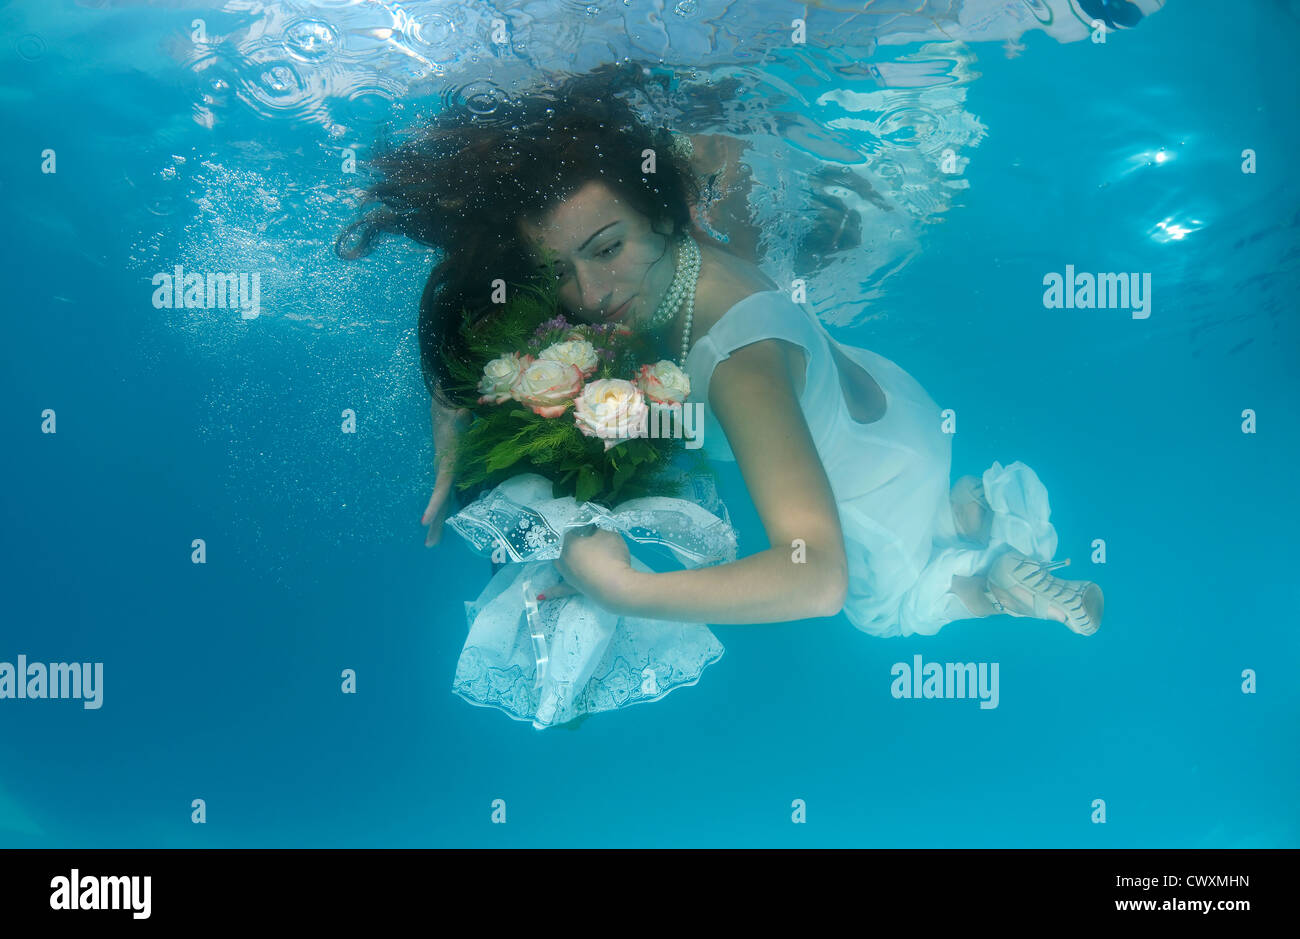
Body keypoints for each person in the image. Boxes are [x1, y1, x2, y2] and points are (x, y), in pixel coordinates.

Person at [336, 65, 1103, 639]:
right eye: (558, 271)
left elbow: (817, 578)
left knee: (890, 611)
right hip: (875, 398)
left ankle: (990, 580)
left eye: (607, 249)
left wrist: (624, 592)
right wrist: (451, 402)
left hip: (867, 484)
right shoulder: (662, 214)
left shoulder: (739, 359)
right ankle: (964, 513)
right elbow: (709, 129)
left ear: (666, 214)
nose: (592, 293)